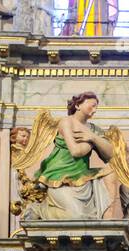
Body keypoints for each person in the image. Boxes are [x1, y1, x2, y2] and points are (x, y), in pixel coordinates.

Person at [32, 91, 114, 220]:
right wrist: (93, 142)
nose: (95, 109)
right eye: (92, 105)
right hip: (59, 177)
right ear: (77, 105)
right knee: (77, 216)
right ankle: (39, 210)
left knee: (111, 172)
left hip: (81, 176)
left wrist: (92, 137)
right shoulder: (66, 122)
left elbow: (110, 154)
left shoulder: (94, 129)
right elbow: (76, 151)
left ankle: (108, 222)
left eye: (96, 107)